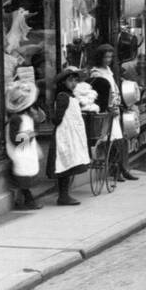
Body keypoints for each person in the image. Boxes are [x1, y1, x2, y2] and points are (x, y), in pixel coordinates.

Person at [87, 45, 138, 182]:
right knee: (112, 140)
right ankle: (116, 169)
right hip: (107, 110)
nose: (108, 60)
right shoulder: (96, 73)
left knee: (119, 140)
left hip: (115, 107)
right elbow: (100, 93)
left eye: (110, 57)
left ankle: (122, 168)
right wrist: (108, 106)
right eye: (106, 57)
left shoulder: (108, 70)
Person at [48, 68, 91, 205]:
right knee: (64, 163)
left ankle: (65, 194)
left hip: (71, 134)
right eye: (70, 81)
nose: (74, 83)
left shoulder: (70, 96)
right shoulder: (63, 97)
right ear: (63, 82)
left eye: (75, 81)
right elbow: (57, 118)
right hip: (64, 135)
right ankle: (63, 196)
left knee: (68, 163)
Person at [6, 79, 44, 210]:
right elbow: (15, 139)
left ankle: (23, 199)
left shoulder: (27, 118)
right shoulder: (16, 119)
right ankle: (28, 200)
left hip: (26, 151)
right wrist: (30, 136)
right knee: (23, 177)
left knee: (26, 175)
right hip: (20, 152)